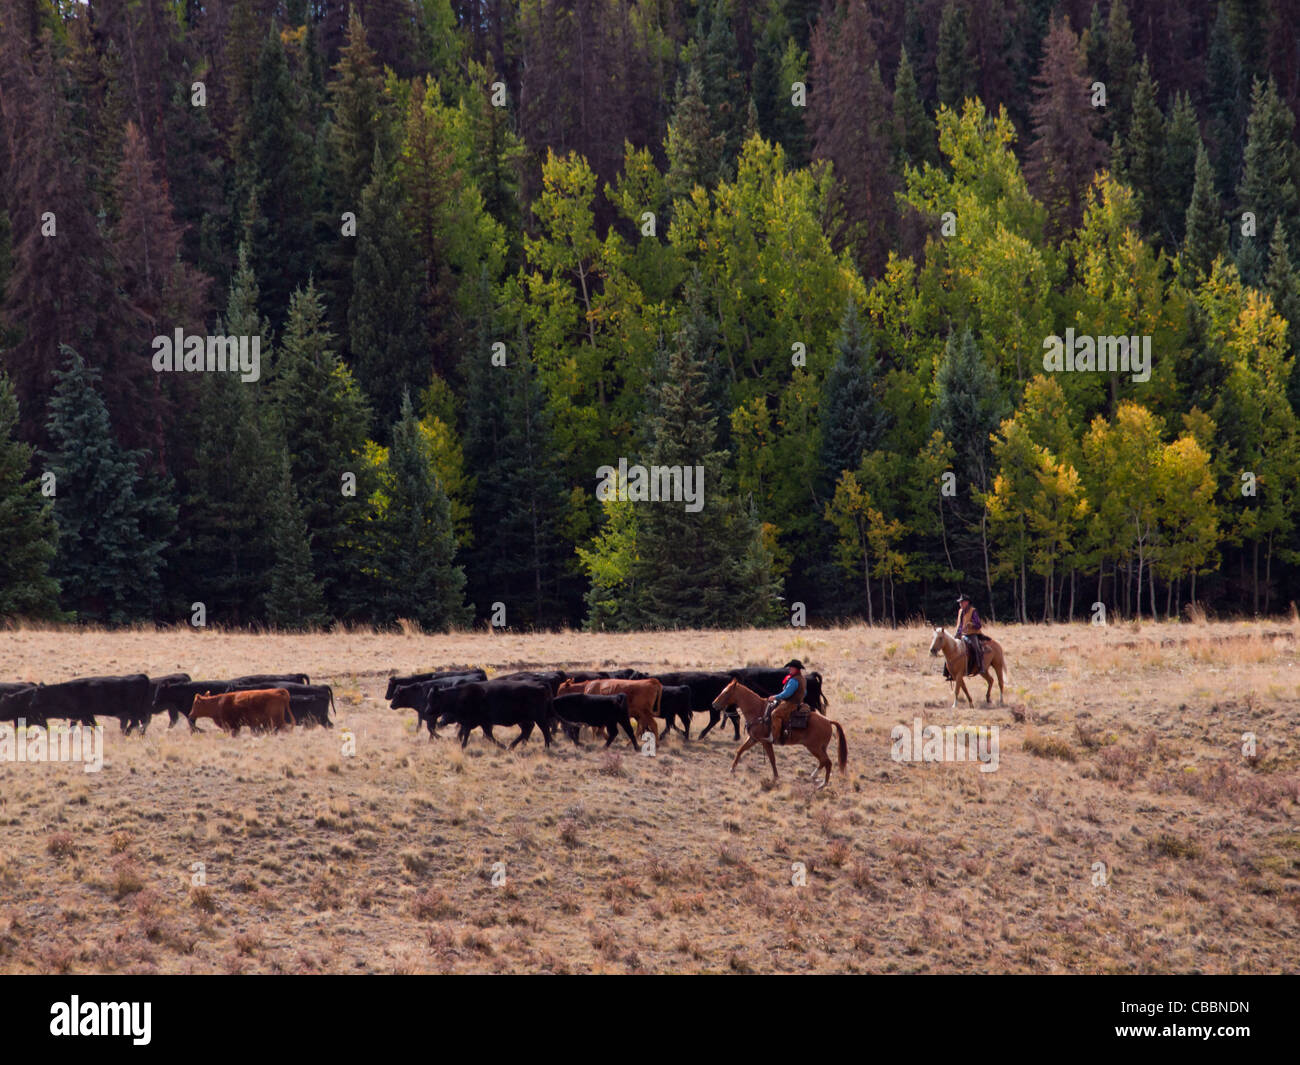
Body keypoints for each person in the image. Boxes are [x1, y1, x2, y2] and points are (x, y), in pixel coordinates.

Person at [764, 659, 806, 744]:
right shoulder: (802, 679)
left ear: (796, 669)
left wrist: (775, 697)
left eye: (791, 667)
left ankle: (776, 737)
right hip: (798, 703)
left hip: (790, 704)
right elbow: (805, 692)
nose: (789, 668)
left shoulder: (794, 680)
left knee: (774, 714)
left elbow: (786, 694)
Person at [955, 594, 984, 674]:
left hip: (972, 634)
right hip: (962, 634)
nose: (960, 604)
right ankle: (948, 671)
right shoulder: (960, 611)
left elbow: (978, 625)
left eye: (962, 602)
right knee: (951, 647)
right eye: (960, 602)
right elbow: (960, 624)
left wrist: (971, 624)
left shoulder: (973, 611)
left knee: (976, 648)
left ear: (967, 602)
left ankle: (980, 667)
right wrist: (958, 633)